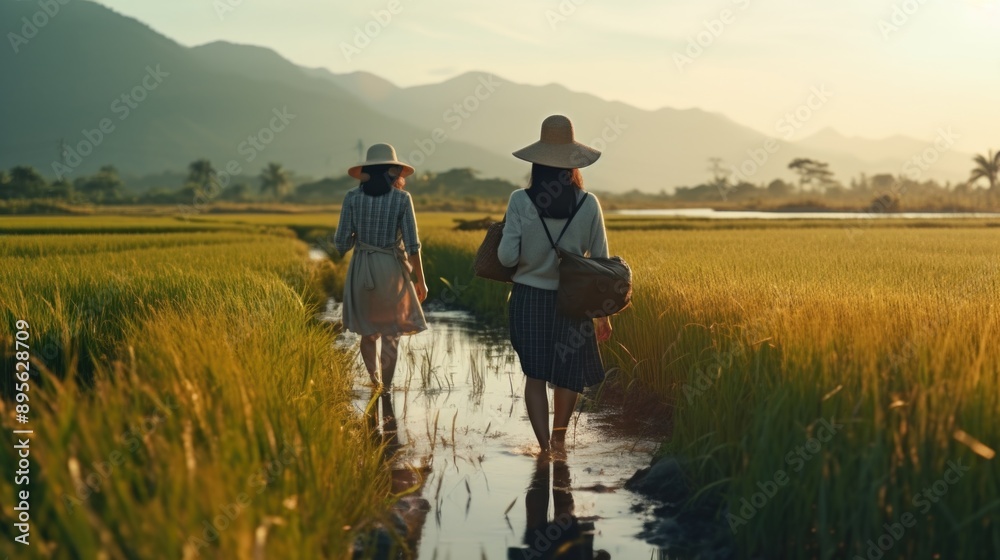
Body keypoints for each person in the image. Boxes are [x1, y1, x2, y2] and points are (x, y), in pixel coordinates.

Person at [498, 115, 612, 457]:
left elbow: (505, 258)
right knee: (568, 376)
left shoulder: (520, 200)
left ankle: (544, 447)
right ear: (574, 164)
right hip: (574, 303)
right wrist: (603, 316)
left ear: (537, 162)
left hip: (529, 298)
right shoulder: (588, 203)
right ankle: (561, 441)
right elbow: (602, 263)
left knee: (535, 376)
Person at [335, 143, 429, 388]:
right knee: (391, 333)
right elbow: (412, 245)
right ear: (393, 171)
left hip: (362, 266)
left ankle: (374, 381)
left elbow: (341, 243)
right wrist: (421, 280)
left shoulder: (352, 198)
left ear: (366, 171)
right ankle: (386, 388)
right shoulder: (402, 199)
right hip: (391, 270)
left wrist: (359, 237)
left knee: (368, 331)